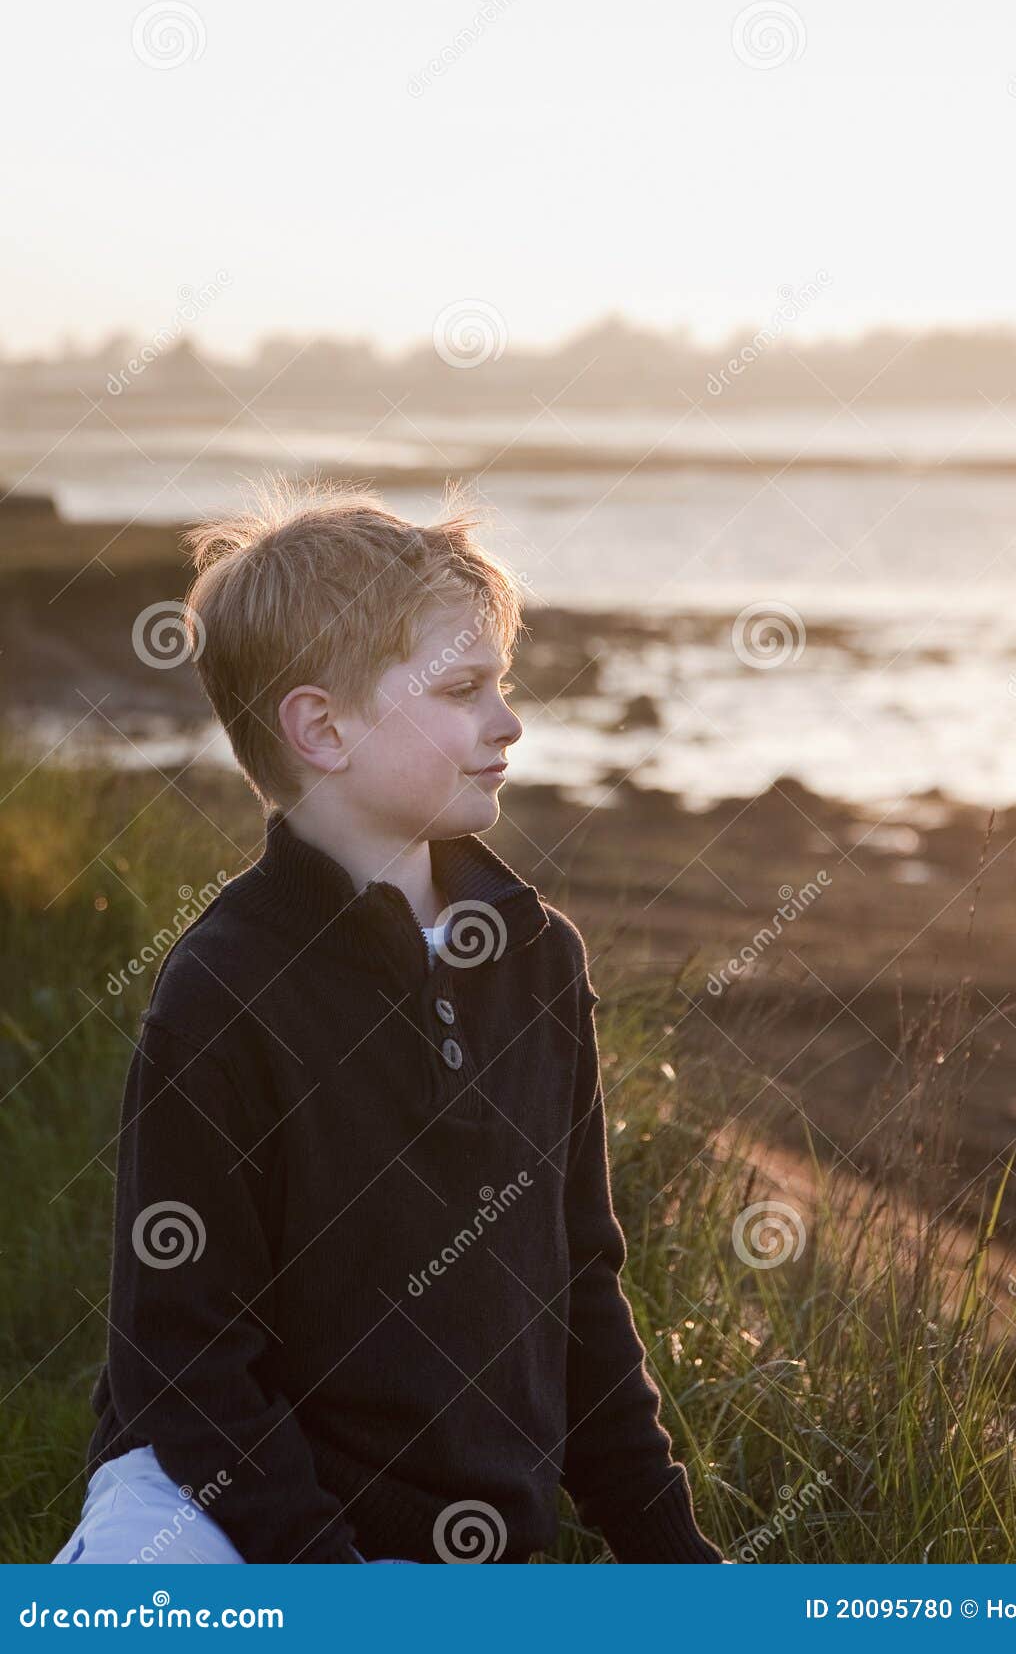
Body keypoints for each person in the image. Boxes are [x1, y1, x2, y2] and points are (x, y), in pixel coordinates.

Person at [53, 481, 722, 1566]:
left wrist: (678, 1560)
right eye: (462, 689)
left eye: (500, 684)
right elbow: (182, 1360)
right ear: (321, 727)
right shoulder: (222, 987)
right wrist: (334, 1584)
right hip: (216, 1514)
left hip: (461, 1542)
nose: (508, 721)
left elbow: (579, 1289)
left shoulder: (540, 961)